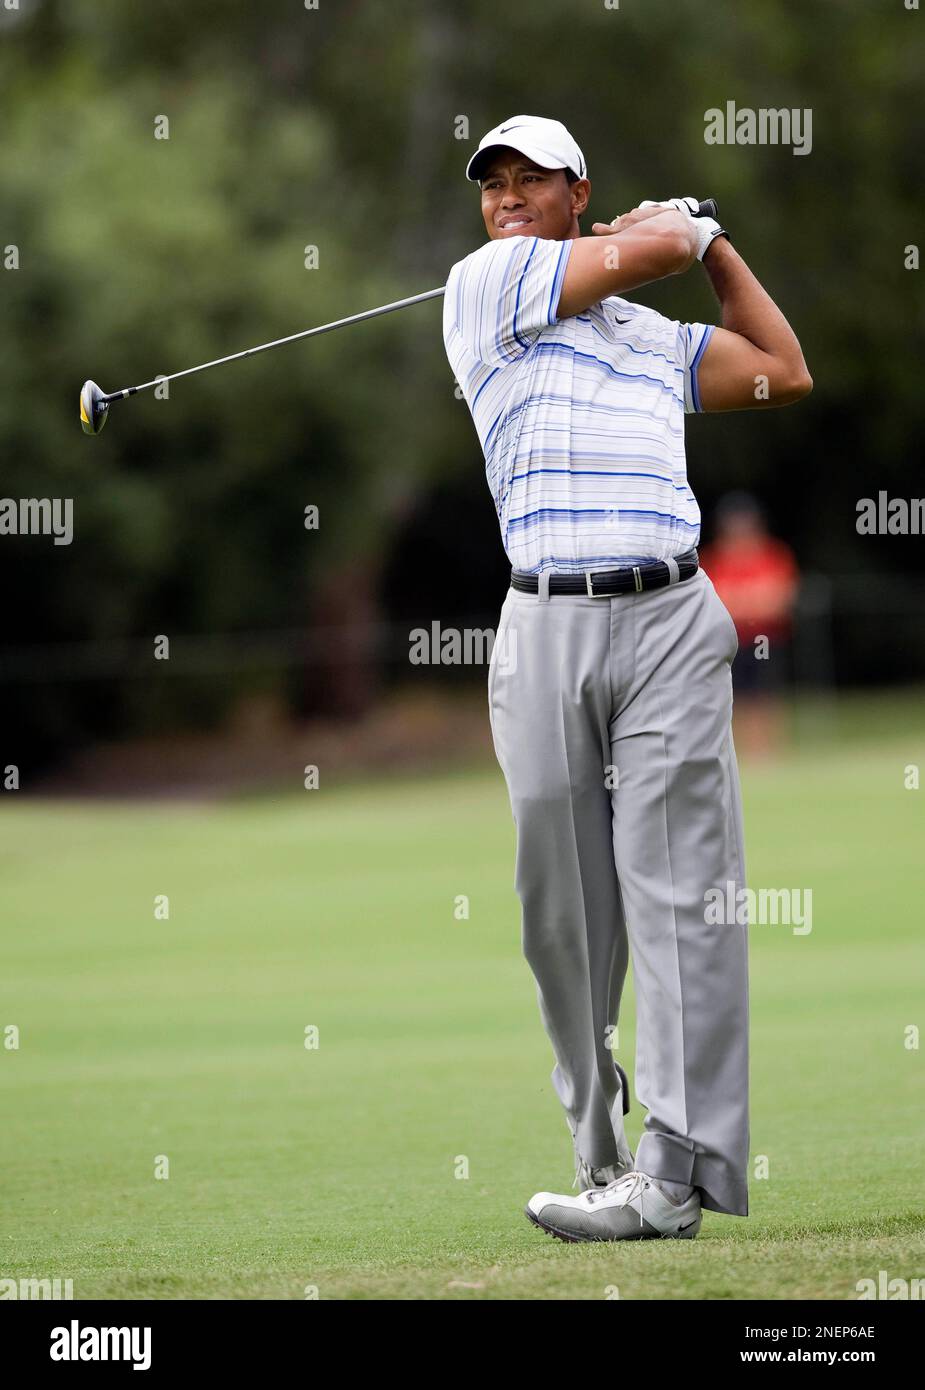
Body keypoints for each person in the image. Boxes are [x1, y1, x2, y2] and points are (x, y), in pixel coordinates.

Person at [442, 115, 811, 1241]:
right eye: (491, 182)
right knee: (565, 916)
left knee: (681, 895)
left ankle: (676, 1173)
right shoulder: (485, 287)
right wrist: (672, 230)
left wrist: (712, 247)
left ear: (576, 193)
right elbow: (641, 248)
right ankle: (596, 1136)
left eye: (531, 180)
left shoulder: (650, 337)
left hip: (667, 619)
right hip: (542, 624)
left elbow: (783, 371)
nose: (506, 196)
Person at [699, 492, 800, 757]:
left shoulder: (773, 554)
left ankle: (766, 752)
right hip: (731, 641)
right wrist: (753, 601)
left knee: (766, 695)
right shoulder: (714, 559)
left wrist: (742, 602)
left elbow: (779, 599)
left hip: (766, 639)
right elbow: (715, 604)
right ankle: (743, 754)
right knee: (735, 697)